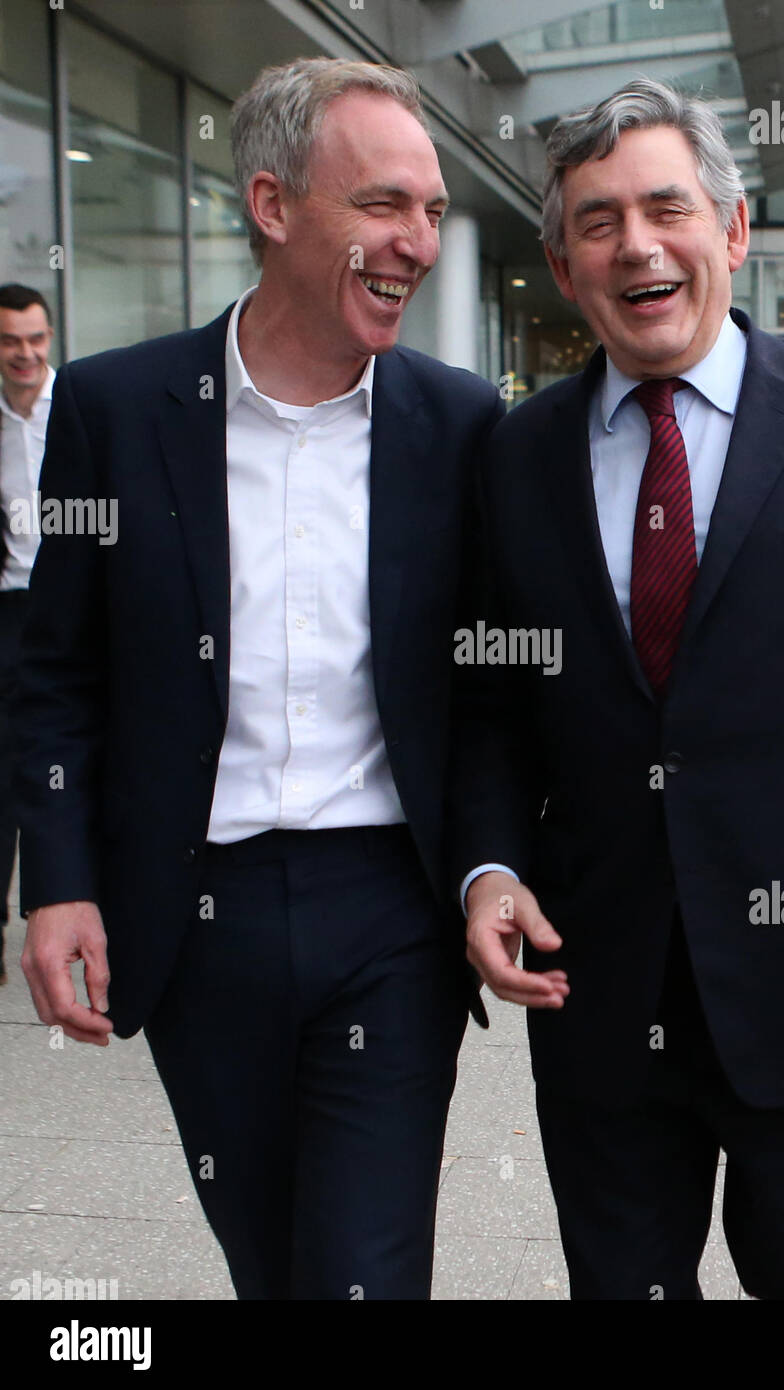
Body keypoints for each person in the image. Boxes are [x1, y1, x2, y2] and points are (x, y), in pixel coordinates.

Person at [453, 79, 784, 1301]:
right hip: (599, 999)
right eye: (598, 222)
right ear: (560, 263)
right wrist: (488, 867)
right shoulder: (517, 454)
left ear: (733, 230)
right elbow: (495, 705)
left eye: (667, 207)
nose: (637, 244)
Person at [16, 58, 501, 1300]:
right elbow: (57, 667)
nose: (420, 242)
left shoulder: (459, 427)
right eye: (386, 205)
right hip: (197, 912)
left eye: (435, 211)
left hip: (391, 913)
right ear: (275, 205)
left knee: (365, 1273)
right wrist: (59, 882)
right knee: (270, 1265)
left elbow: (497, 685)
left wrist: (494, 867)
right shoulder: (114, 411)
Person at [0, 283, 55, 986]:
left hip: (70, 608)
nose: (25, 354)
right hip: (9, 609)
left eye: (36, 339)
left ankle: (67, 899)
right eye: (11, 341)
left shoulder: (76, 409)